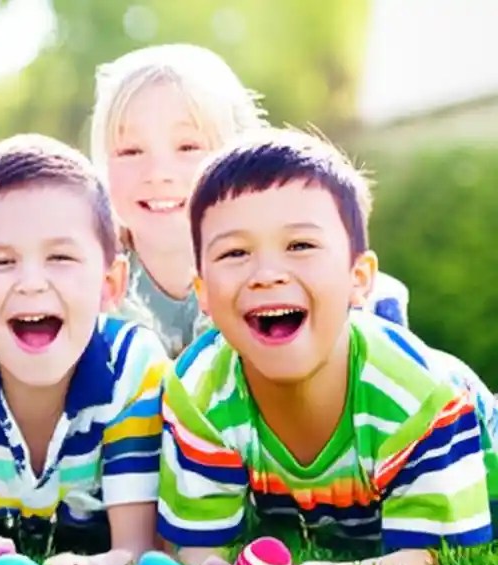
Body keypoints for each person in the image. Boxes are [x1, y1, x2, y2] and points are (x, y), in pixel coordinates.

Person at [158, 129, 495, 565]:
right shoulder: (198, 392)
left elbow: (441, 557)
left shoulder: (419, 395)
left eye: (300, 246)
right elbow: (197, 548)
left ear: (359, 279)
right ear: (203, 296)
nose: (267, 274)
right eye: (235, 253)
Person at [0, 135, 169, 565]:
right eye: (2, 262)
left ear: (110, 284)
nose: (31, 283)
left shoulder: (132, 367)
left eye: (60, 257)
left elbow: (137, 547)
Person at [91, 44, 410, 356]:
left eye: (188, 147)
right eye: (130, 151)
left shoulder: (349, 298)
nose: (158, 173)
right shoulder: (89, 288)